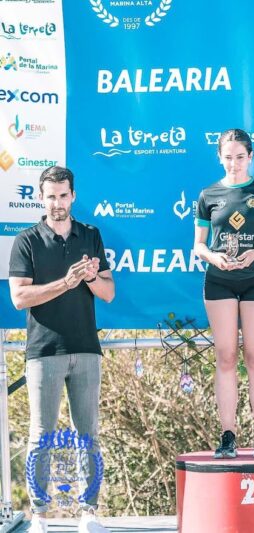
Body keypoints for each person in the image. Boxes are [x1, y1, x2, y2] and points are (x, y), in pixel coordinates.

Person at [8, 166, 115, 533]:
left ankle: (90, 512)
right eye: (50, 196)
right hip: (43, 350)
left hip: (86, 347)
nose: (57, 202)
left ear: (73, 196)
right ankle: (39, 515)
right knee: (42, 435)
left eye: (63, 195)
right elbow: (19, 297)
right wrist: (65, 283)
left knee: (89, 433)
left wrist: (90, 277)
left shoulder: (91, 235)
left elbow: (109, 292)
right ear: (41, 198)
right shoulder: (25, 240)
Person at [193, 129, 254, 459]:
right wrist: (214, 256)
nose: (234, 163)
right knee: (226, 357)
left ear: (250, 157)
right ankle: (228, 434)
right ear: (219, 157)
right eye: (228, 157)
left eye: (240, 157)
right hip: (219, 281)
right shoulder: (208, 194)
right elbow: (199, 245)